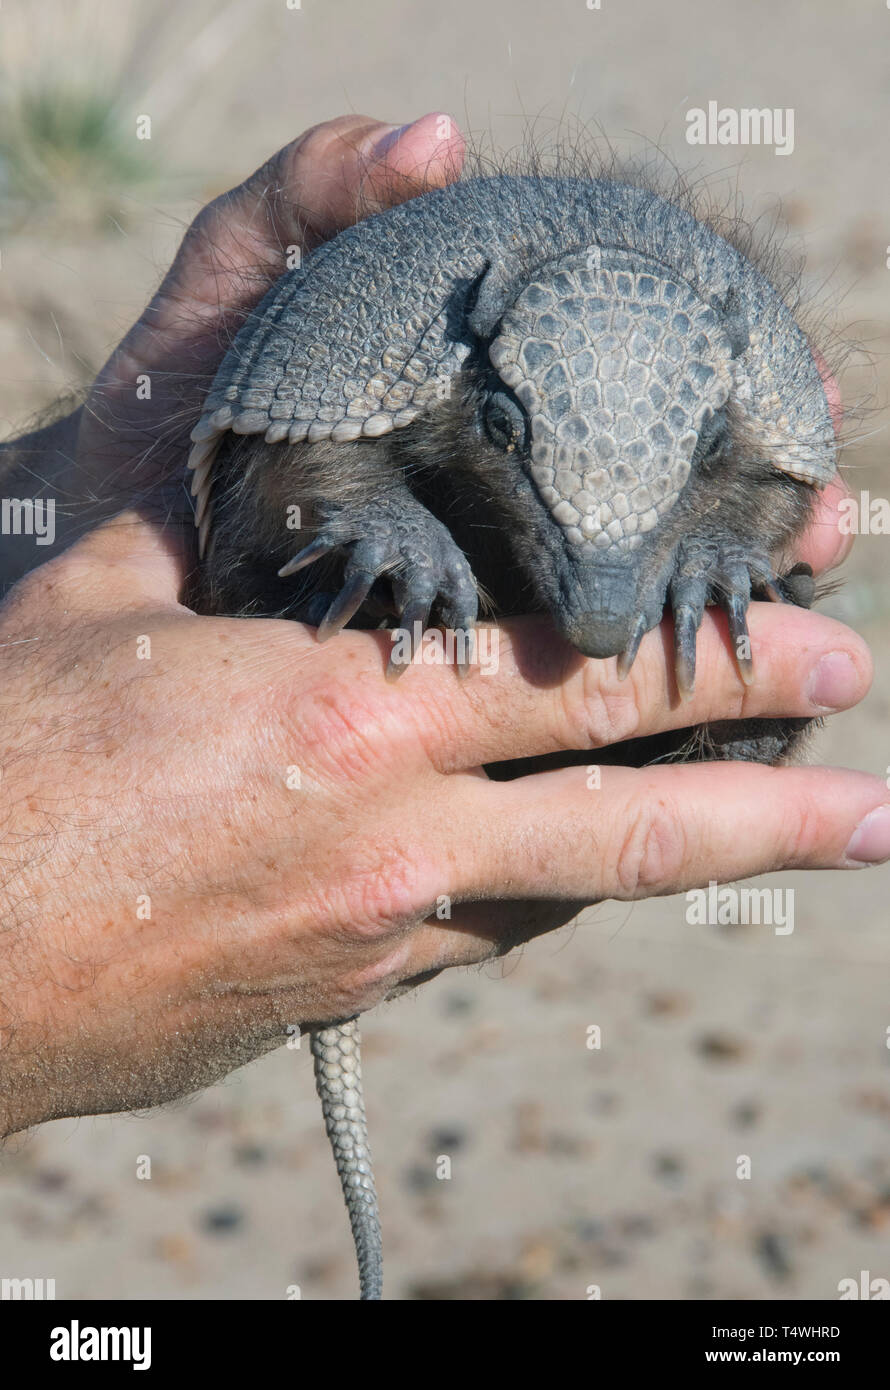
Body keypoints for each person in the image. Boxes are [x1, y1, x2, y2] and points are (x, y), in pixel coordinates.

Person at [0, 114, 885, 1139]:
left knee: (747, 635)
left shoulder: (733, 406)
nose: (591, 617)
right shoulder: (388, 319)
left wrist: (726, 538)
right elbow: (286, 470)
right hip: (320, 623)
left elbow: (771, 492)